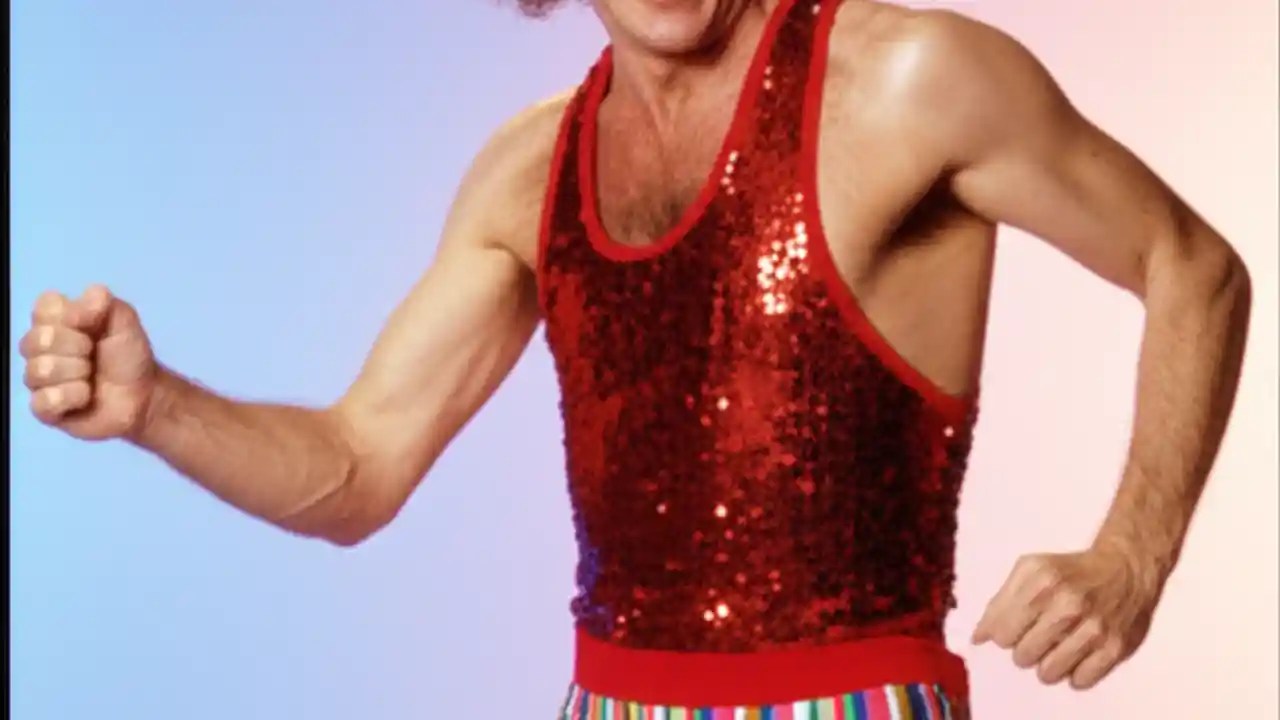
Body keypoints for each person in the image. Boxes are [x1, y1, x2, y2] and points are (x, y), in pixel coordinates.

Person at [20, 0, 1251, 717]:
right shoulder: (529, 168)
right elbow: (356, 469)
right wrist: (155, 407)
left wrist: (1131, 555)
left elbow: (1190, 266)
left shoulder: (906, 81)